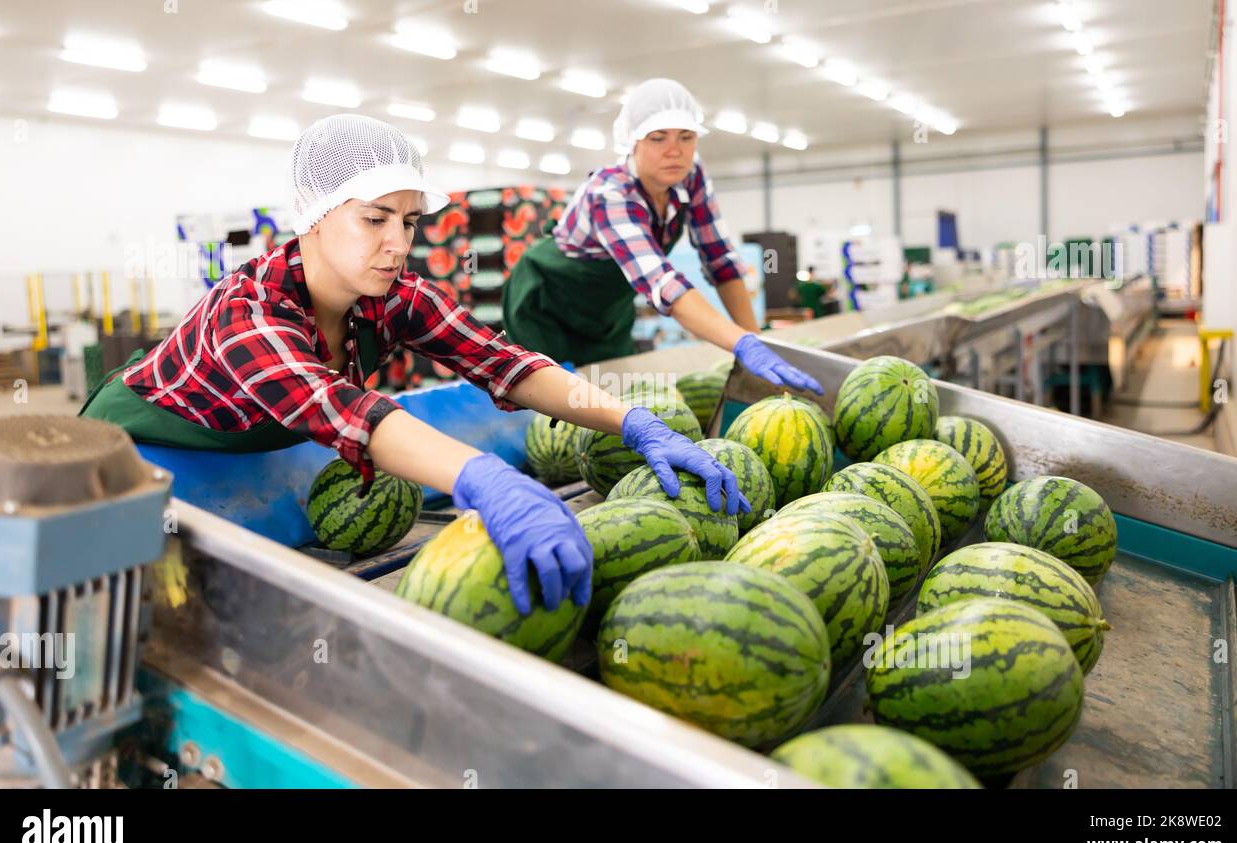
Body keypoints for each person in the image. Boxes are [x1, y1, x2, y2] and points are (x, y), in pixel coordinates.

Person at [80, 114, 747, 616]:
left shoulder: (389, 293)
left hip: (249, 463)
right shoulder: (247, 316)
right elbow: (349, 412)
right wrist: (483, 478)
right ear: (312, 215)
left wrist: (631, 421)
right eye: (374, 219)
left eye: (409, 220)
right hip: (142, 461)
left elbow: (502, 361)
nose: (398, 244)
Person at [502, 78, 823, 394]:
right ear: (633, 142)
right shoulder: (609, 193)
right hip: (546, 307)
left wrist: (757, 345)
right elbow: (663, 285)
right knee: (552, 407)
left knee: (607, 401)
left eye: (686, 137)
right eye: (658, 138)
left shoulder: (691, 175)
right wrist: (741, 344)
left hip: (608, 315)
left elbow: (720, 260)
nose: (675, 151)